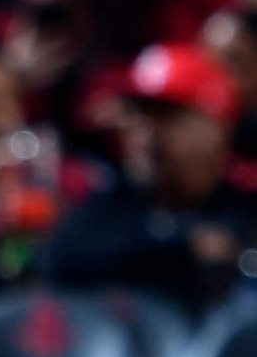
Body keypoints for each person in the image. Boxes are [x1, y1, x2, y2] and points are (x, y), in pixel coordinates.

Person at [47, 41, 257, 311]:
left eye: (167, 116)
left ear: (219, 129)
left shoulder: (245, 212)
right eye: (139, 115)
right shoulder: (105, 209)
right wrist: (181, 251)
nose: (146, 132)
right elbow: (57, 262)